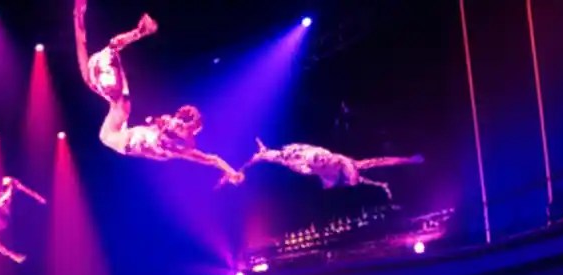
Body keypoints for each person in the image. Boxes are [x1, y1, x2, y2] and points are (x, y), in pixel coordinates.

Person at [73, 2, 242, 186]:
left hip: (120, 137)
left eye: (180, 126)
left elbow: (209, 158)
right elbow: (82, 43)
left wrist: (230, 171)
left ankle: (139, 32)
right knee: (111, 56)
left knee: (112, 57)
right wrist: (78, 16)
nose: (175, 121)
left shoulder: (174, 146)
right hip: (122, 130)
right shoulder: (101, 84)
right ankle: (138, 33)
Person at [240, 138, 423, 200]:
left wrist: (407, 160)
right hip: (320, 167)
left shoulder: (306, 166)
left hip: (319, 169)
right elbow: (380, 161)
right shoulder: (317, 163)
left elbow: (380, 161)